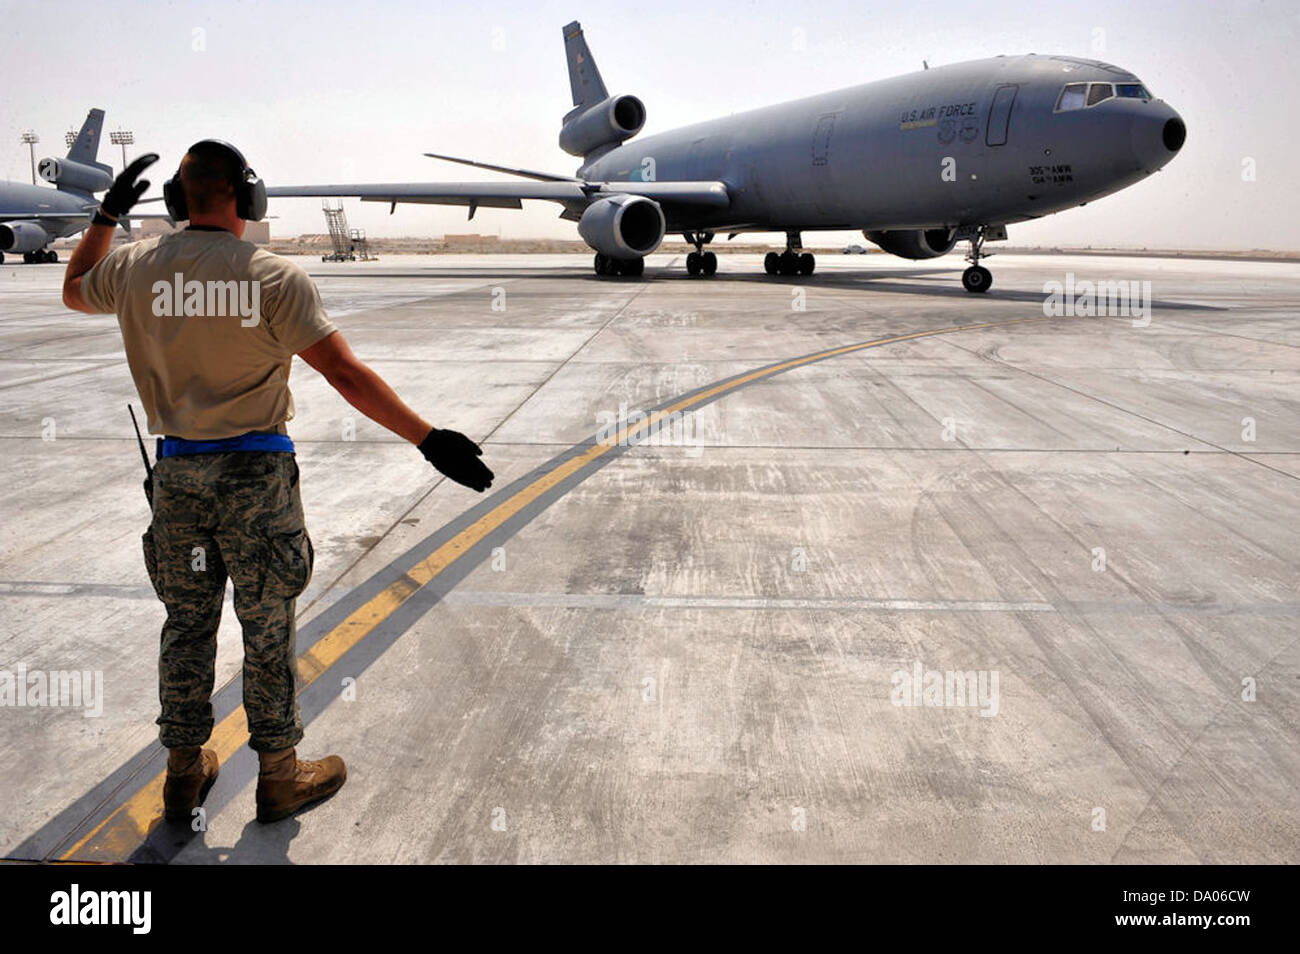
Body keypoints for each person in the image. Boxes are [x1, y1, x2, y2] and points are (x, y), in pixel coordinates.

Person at [62, 141, 494, 824]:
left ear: (177, 202)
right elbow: (344, 374)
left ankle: (182, 774)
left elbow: (71, 288)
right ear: (247, 196)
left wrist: (108, 213)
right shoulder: (271, 276)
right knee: (266, 630)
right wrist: (428, 438)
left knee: (186, 625)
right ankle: (279, 777)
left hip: (176, 476)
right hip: (255, 478)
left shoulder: (134, 268)